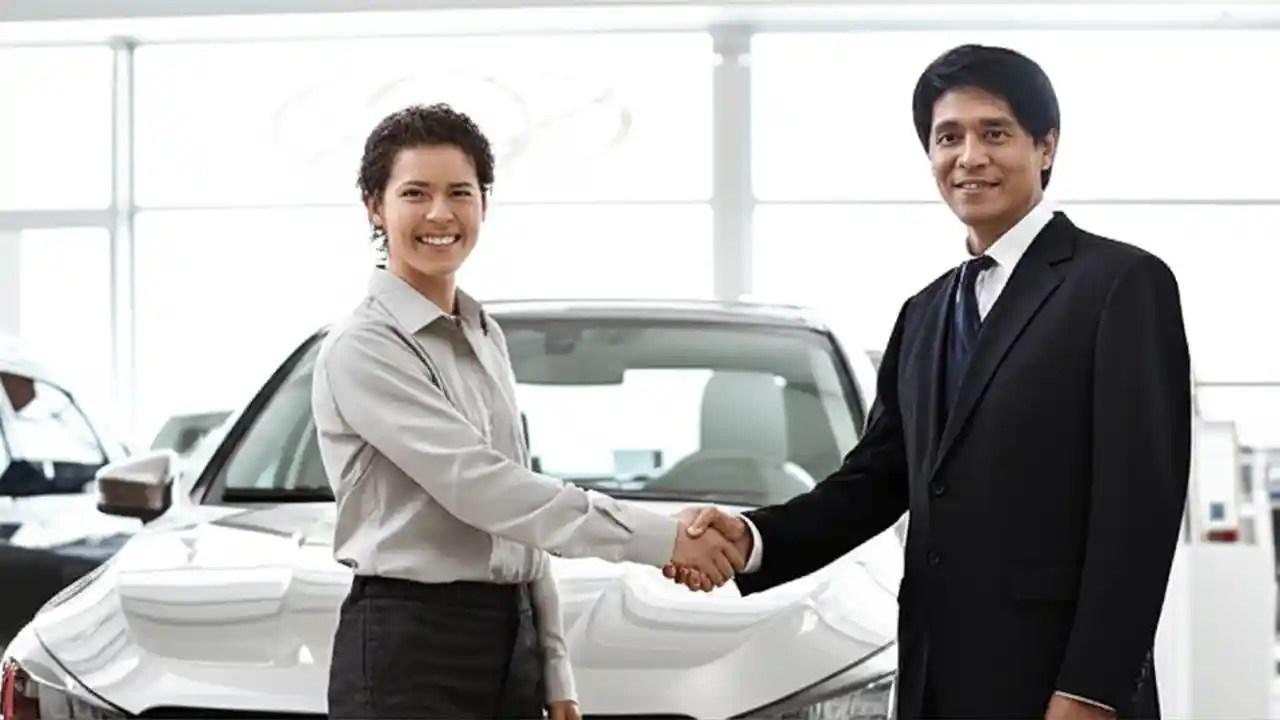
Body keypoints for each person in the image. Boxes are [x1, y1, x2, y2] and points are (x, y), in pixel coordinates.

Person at [665, 44, 1191, 720]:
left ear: (1046, 146)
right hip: (935, 681)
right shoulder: (924, 313)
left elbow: (1139, 510)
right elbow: (874, 483)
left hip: (1057, 685)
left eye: (994, 133)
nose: (969, 156)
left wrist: (1092, 688)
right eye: (949, 137)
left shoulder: (1119, 285)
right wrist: (751, 538)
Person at [312, 103, 745, 720]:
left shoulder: (482, 333)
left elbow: (520, 509)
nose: (440, 214)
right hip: (410, 648)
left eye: (460, 192)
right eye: (415, 193)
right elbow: (484, 489)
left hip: (507, 644)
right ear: (374, 207)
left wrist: (553, 668)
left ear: (483, 204)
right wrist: (667, 537)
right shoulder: (366, 345)